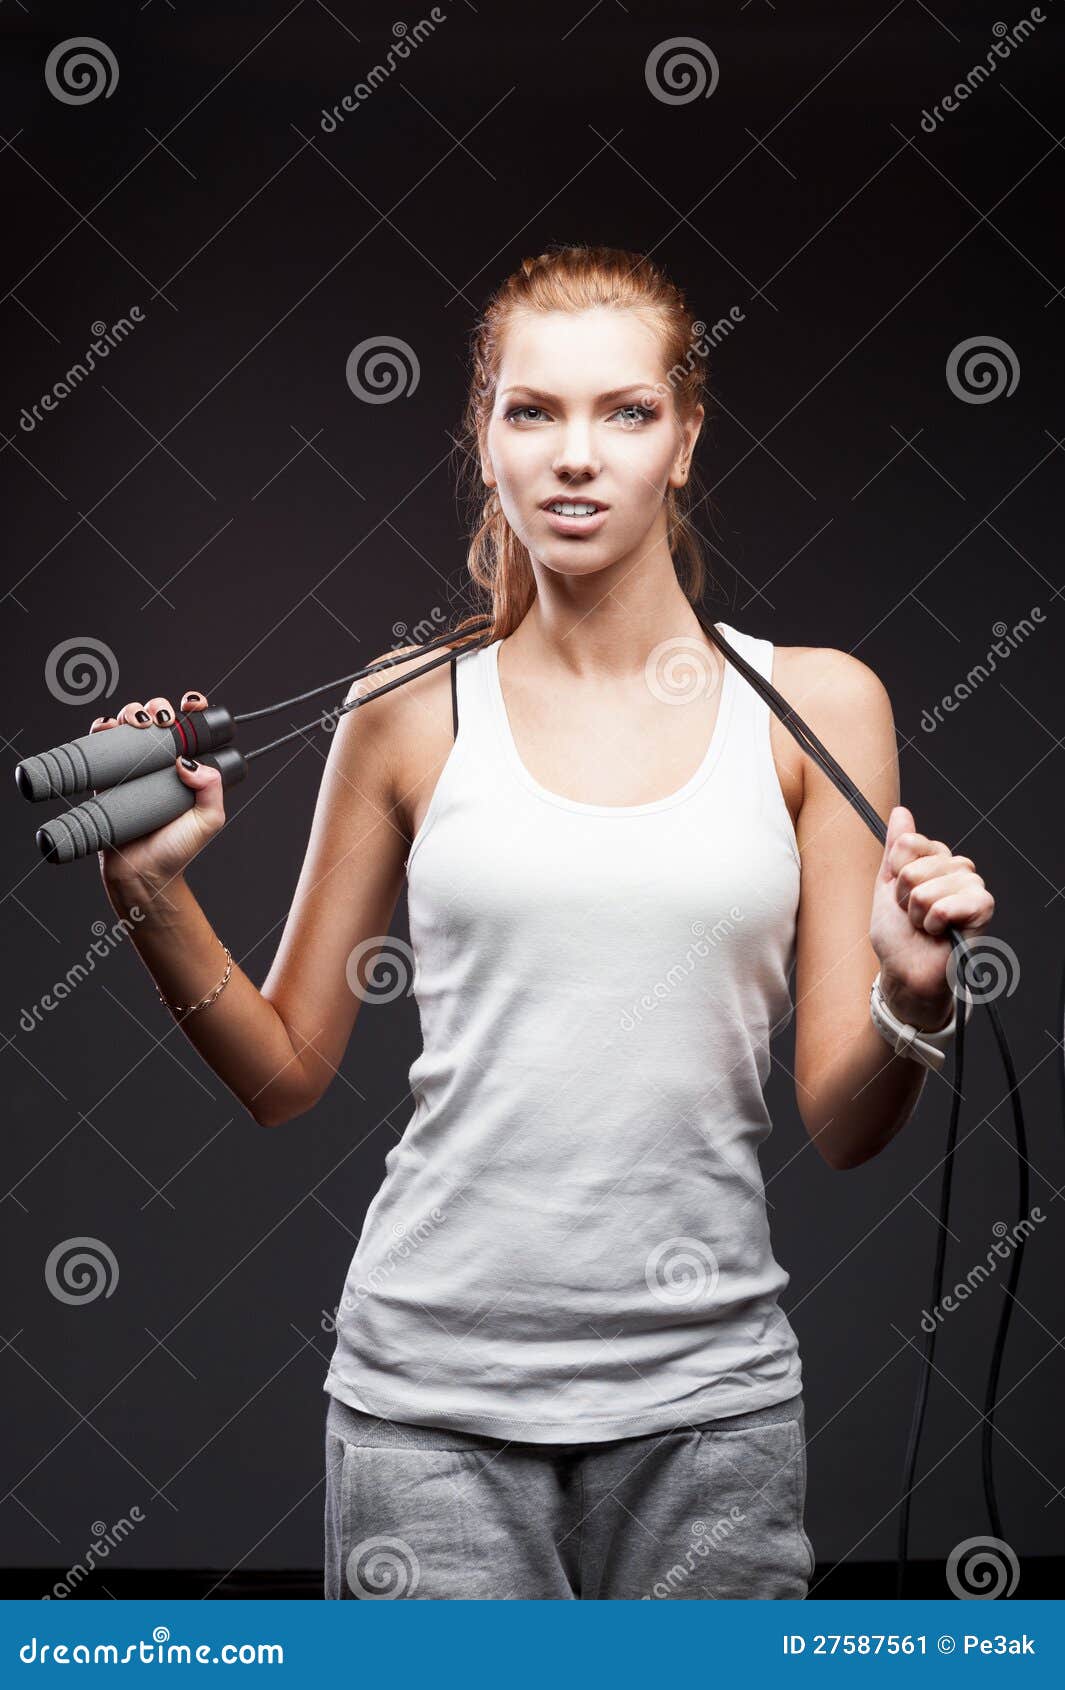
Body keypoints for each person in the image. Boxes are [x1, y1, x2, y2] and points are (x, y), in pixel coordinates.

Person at [92, 245, 994, 1600]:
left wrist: (913, 1000)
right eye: (533, 410)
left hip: (709, 1411)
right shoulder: (407, 702)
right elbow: (284, 1076)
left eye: (624, 411)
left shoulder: (817, 707)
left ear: (683, 441)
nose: (576, 455)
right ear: (485, 436)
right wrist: (151, 894)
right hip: (426, 1413)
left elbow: (841, 1121)